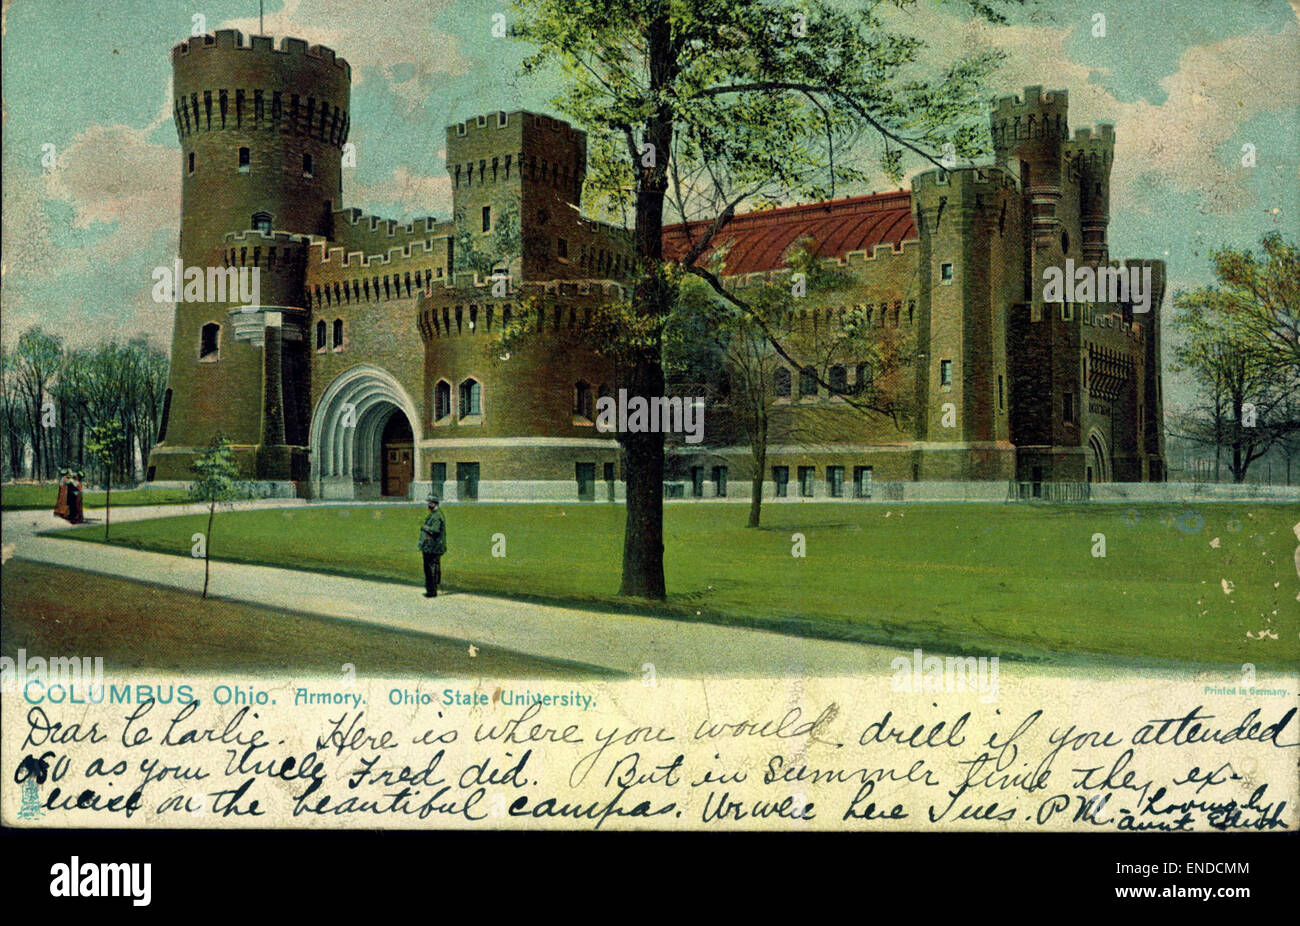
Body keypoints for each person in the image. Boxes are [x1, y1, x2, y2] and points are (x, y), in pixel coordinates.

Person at [417, 494, 447, 597]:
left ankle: (432, 591)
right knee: (433, 568)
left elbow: (435, 530)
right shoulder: (435, 514)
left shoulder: (436, 515)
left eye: (429, 503)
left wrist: (424, 527)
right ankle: (432, 589)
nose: (428, 505)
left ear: (433, 503)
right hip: (433, 546)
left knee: (430, 569)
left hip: (432, 547)